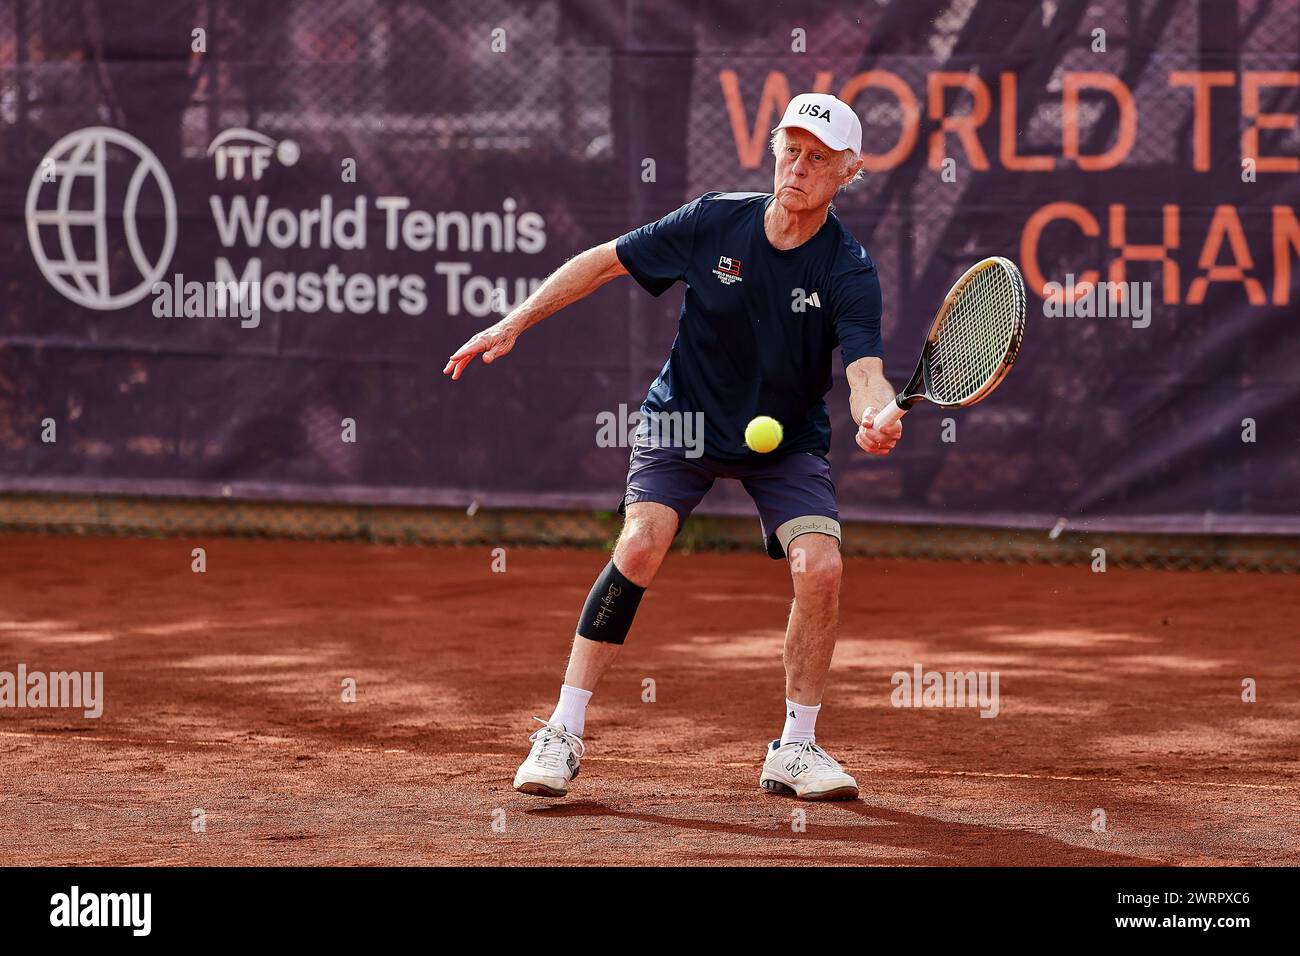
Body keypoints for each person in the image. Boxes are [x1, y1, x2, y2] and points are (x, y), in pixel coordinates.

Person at [443, 92, 904, 801]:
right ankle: (561, 731)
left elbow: (865, 372)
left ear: (849, 171)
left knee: (821, 568)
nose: (798, 167)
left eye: (818, 158)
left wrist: (878, 413)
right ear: (775, 151)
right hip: (683, 419)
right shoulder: (716, 219)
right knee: (639, 545)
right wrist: (517, 320)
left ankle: (797, 747)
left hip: (783, 440)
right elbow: (603, 261)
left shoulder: (848, 269)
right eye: (791, 150)